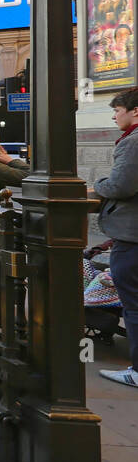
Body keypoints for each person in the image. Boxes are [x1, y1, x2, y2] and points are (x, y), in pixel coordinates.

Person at [95, 88, 138, 387]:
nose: (114, 115)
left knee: (133, 304)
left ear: (134, 111)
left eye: (118, 109)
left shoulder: (133, 142)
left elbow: (120, 186)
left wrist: (98, 184)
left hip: (131, 236)